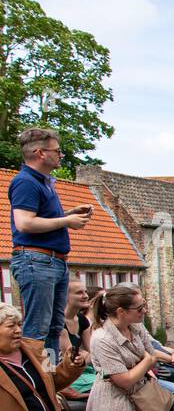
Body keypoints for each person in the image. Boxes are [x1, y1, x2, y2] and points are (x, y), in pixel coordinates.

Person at [8, 128, 92, 365]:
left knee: (55, 328)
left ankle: (49, 376)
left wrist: (68, 213)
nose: (60, 155)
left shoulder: (44, 183)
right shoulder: (25, 182)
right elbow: (24, 223)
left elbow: (38, 217)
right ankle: (35, 382)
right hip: (37, 261)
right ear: (39, 153)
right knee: (38, 329)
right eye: (56, 150)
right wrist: (66, 221)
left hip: (52, 261)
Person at [85, 284, 174, 411]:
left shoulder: (135, 326)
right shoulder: (102, 338)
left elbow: (150, 351)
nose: (144, 310)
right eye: (139, 308)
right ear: (121, 311)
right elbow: (124, 380)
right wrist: (146, 362)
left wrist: (151, 359)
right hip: (114, 402)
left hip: (138, 397)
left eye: (143, 304)